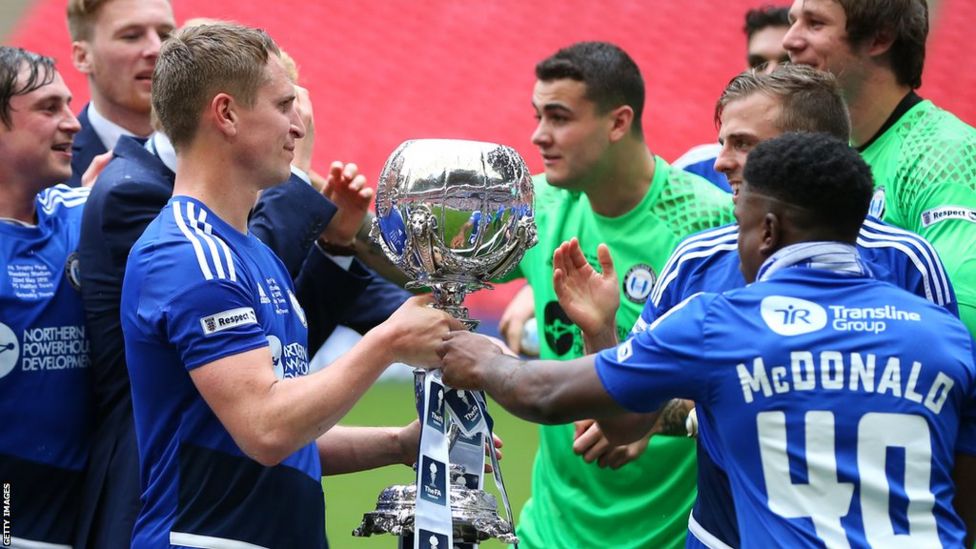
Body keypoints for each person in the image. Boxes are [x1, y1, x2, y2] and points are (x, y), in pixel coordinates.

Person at [438, 132, 976, 547]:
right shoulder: (944, 335)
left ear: (766, 231)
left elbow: (559, 398)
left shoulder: (720, 324)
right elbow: (962, 495)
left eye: (739, 221)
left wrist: (480, 358)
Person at [554, 63, 959, 548]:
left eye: (742, 143)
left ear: (806, 150)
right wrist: (601, 333)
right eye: (722, 141)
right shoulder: (696, 261)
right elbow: (625, 423)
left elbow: (954, 425)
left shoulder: (905, 262)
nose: (721, 161)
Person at [119, 23, 459, 548]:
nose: (298, 126)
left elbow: (285, 436)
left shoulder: (250, 253)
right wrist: (386, 341)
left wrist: (400, 444)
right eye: (283, 105)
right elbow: (266, 430)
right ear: (226, 114)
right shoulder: (188, 255)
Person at [498, 41, 734, 548]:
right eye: (538, 115)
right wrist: (346, 231)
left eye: (559, 117)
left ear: (619, 122)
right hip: (547, 535)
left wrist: (642, 417)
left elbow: (745, 380)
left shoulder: (709, 222)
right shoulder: (538, 203)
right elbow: (435, 267)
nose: (539, 135)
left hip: (667, 535)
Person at [784, 0, 976, 337]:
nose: (789, 39)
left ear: (879, 39)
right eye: (793, 20)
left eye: (814, 23)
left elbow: (963, 317)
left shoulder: (940, 151)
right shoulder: (821, 152)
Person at [0, 46, 89, 548]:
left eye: (69, 105)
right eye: (48, 108)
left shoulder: (82, 216)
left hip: (85, 518)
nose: (72, 123)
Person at [673, 5, 791, 191]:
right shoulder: (694, 171)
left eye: (787, 62)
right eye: (758, 63)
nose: (770, 73)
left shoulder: (840, 165)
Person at [65, 0, 174, 187]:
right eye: (131, 36)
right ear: (83, 56)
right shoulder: (47, 171)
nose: (157, 49)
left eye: (166, 35)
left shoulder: (219, 152)